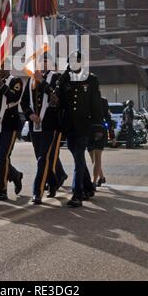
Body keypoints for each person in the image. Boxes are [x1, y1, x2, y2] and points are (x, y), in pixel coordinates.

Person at [57, 50, 103, 207]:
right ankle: (89, 187)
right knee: (79, 157)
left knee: (78, 157)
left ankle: (77, 194)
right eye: (71, 61)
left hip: (85, 125)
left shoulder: (91, 79)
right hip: (70, 126)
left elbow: (96, 104)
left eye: (77, 60)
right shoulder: (64, 79)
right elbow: (60, 102)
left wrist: (98, 127)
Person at [21, 53, 67, 205]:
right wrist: (30, 115)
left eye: (47, 61)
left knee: (43, 159)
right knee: (40, 158)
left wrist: (43, 83)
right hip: (36, 125)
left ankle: (37, 192)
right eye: (41, 61)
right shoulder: (31, 79)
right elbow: (24, 102)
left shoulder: (56, 78)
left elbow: (57, 99)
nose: (44, 64)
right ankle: (54, 181)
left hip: (51, 125)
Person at [0, 69, 23, 201]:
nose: (0, 69)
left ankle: (2, 190)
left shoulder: (15, 80)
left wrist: (1, 85)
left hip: (10, 125)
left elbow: (14, 97)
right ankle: (15, 175)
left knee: (3, 157)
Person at [88, 97, 112, 187]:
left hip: (100, 131)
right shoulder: (86, 99)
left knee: (97, 158)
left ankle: (94, 181)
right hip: (89, 132)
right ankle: (101, 177)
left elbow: (108, 117)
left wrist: (112, 134)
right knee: (93, 159)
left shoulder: (103, 101)